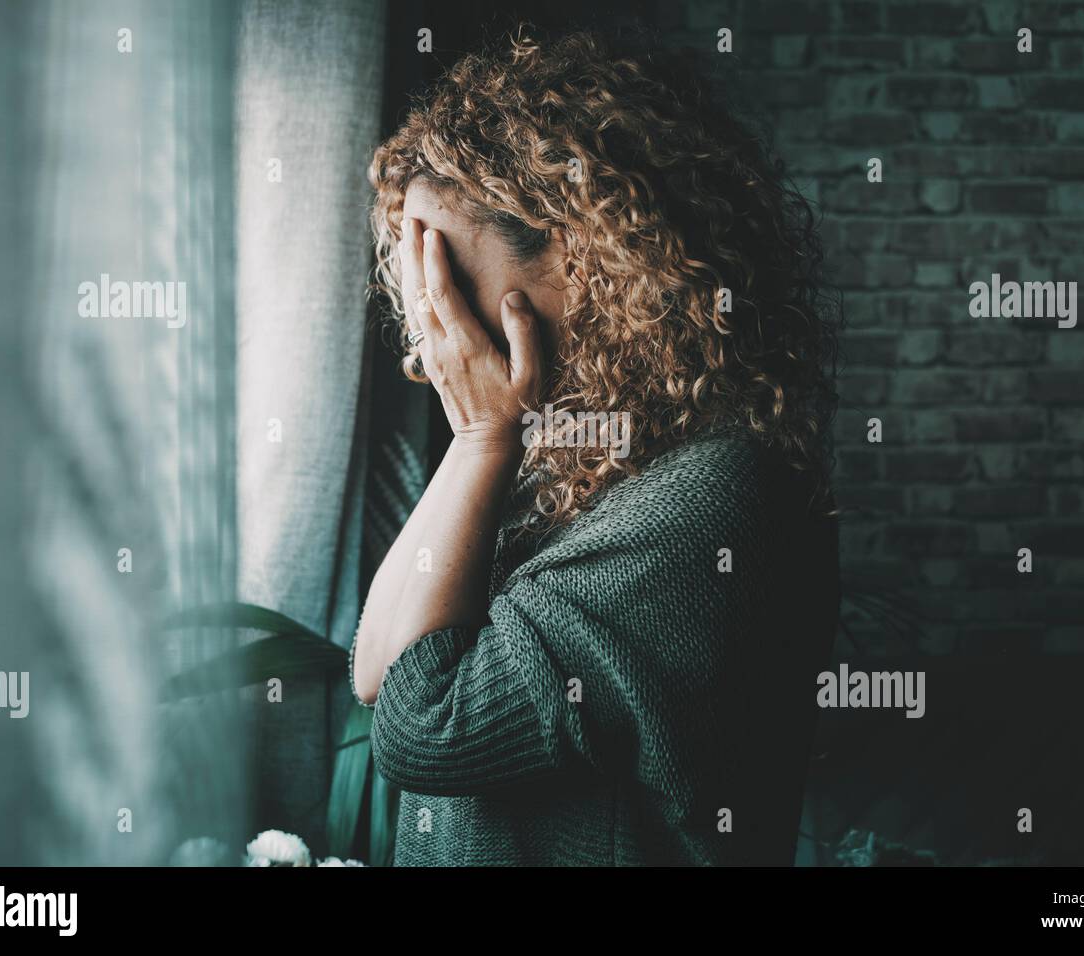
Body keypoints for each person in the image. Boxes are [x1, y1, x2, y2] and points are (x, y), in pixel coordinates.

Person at [350, 29, 840, 865]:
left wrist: (480, 435)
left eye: (452, 287)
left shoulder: (713, 498)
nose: (438, 342)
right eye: (420, 299)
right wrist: (485, 439)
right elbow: (377, 671)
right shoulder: (570, 455)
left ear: (590, 258)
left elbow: (424, 725)